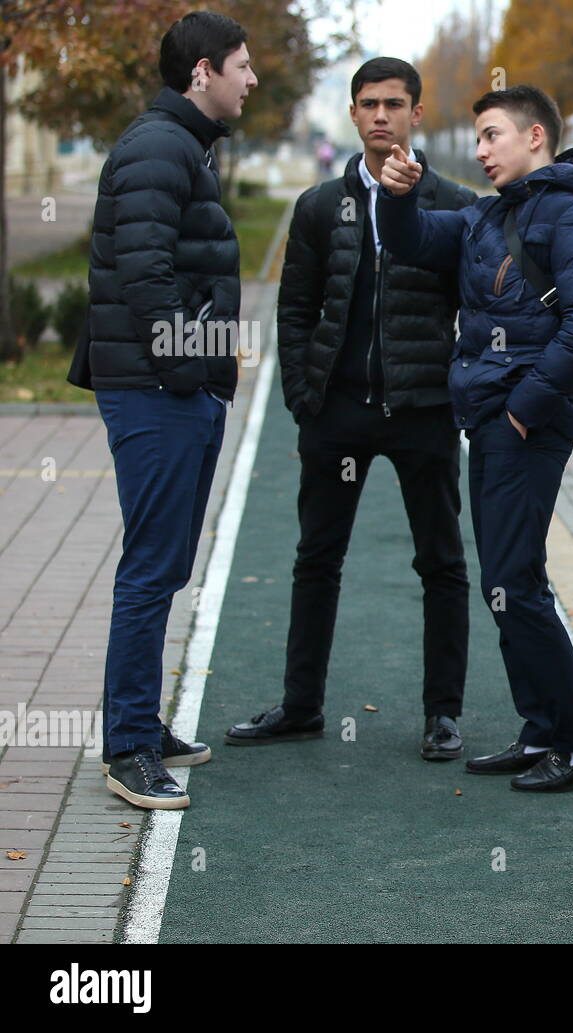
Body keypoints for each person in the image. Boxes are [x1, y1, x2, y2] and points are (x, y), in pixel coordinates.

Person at [224, 58, 476, 760]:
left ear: (416, 114)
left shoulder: (454, 203)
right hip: (337, 410)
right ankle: (301, 706)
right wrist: (305, 399)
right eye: (368, 104)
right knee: (317, 557)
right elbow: (295, 308)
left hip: (423, 408)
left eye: (394, 103)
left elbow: (476, 306)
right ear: (353, 114)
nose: (380, 115)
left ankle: (443, 714)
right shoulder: (318, 206)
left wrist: (462, 389)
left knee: (442, 562)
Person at [376, 85, 573, 791]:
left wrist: (523, 407)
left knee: (514, 579)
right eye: (478, 138)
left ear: (535, 136)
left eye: (492, 135)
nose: (481, 150)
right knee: (505, 581)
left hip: (525, 421)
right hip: (491, 415)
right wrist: (399, 196)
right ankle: (541, 727)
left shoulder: (570, 212)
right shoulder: (489, 213)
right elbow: (411, 241)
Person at [72, 11, 257, 809]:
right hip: (156, 392)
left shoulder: (183, 143)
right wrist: (186, 371)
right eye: (241, 65)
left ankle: (141, 722)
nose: (252, 80)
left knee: (167, 562)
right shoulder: (158, 147)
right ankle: (127, 749)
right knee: (151, 567)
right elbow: (145, 276)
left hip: (176, 388)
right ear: (202, 73)